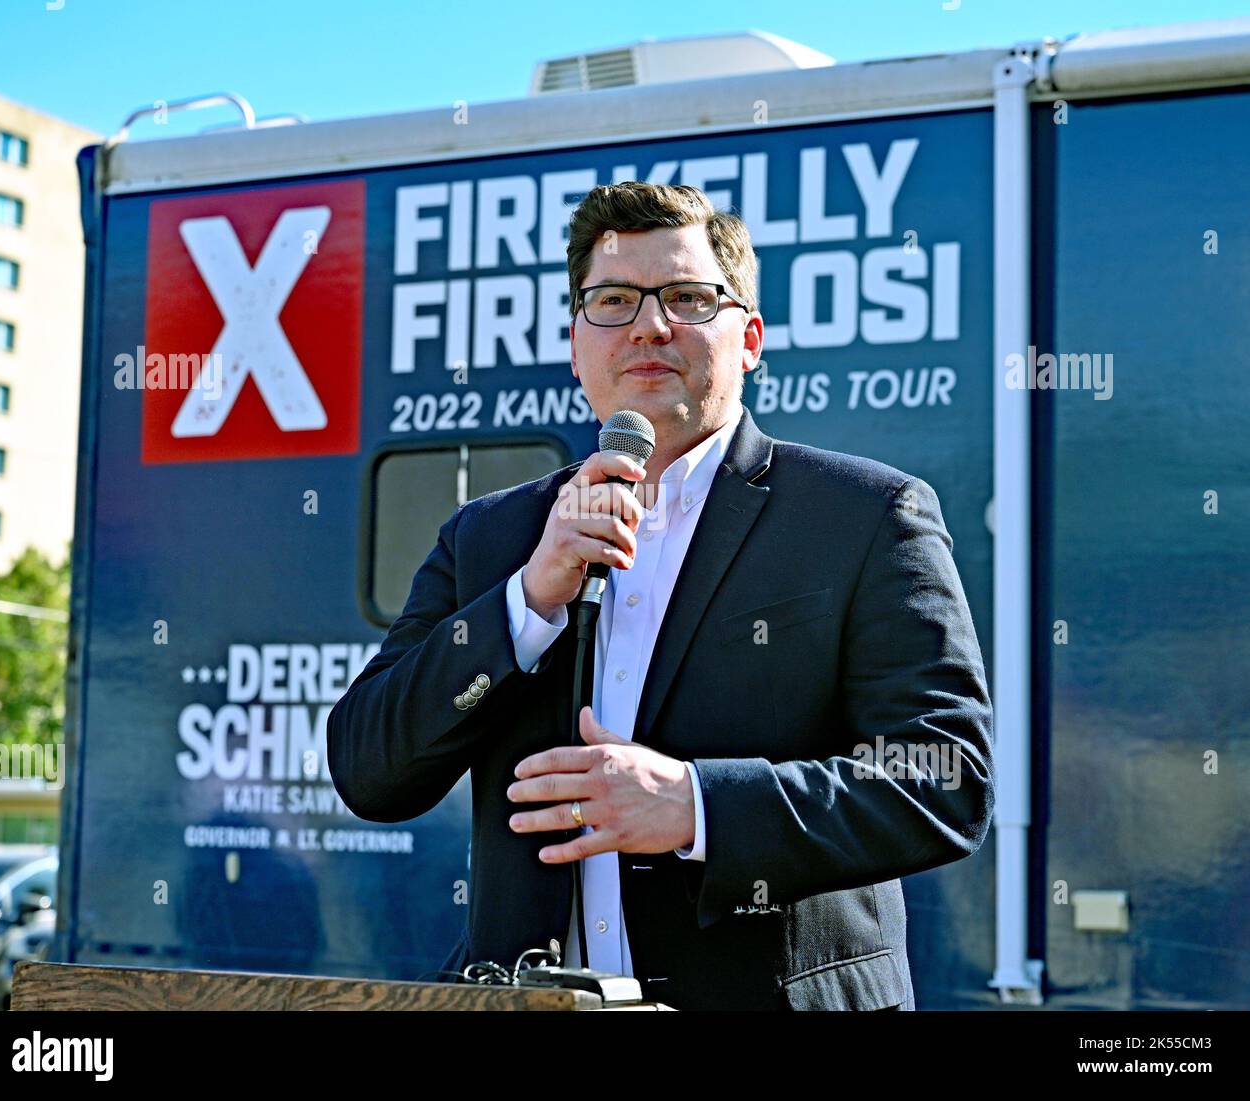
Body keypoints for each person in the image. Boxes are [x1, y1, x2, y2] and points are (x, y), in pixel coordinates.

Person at [326, 181, 994, 1011]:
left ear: (748, 338)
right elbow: (366, 768)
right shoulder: (491, 540)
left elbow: (946, 778)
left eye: (687, 297)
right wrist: (528, 601)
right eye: (613, 300)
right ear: (577, 345)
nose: (649, 324)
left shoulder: (864, 516)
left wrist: (697, 805)